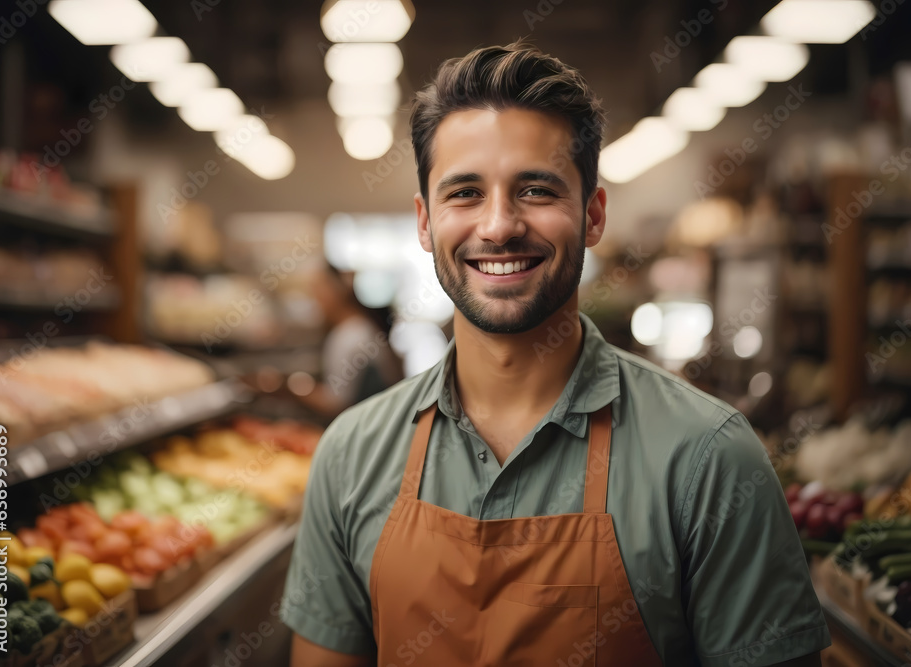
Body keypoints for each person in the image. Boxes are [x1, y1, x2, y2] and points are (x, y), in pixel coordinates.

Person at [283, 42, 830, 666]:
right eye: (464, 192)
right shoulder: (351, 457)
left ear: (593, 215)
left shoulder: (708, 460)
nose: (498, 226)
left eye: (537, 190)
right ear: (425, 222)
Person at [297, 264, 402, 420]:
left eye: (318, 291)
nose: (314, 300)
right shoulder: (360, 326)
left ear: (335, 292)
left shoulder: (350, 336)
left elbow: (336, 404)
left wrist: (293, 390)